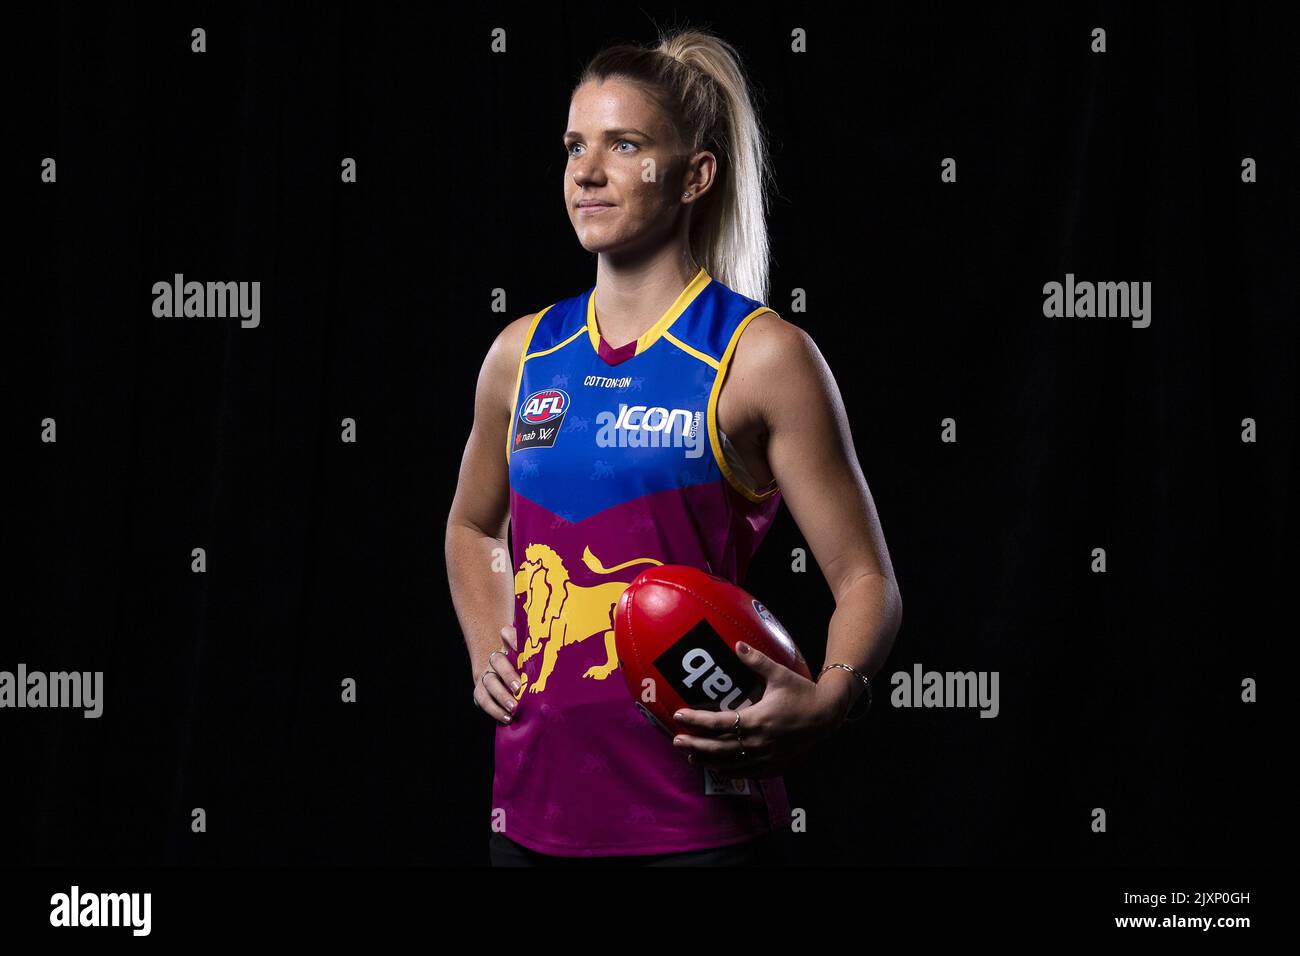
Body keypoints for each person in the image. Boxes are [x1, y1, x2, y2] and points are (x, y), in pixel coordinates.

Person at [446, 27, 902, 866]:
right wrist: (490, 646)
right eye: (575, 145)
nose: (586, 171)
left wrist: (832, 697)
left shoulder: (760, 356)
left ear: (694, 175)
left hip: (697, 825)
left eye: (624, 146)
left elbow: (866, 579)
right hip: (530, 813)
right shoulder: (522, 354)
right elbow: (473, 528)